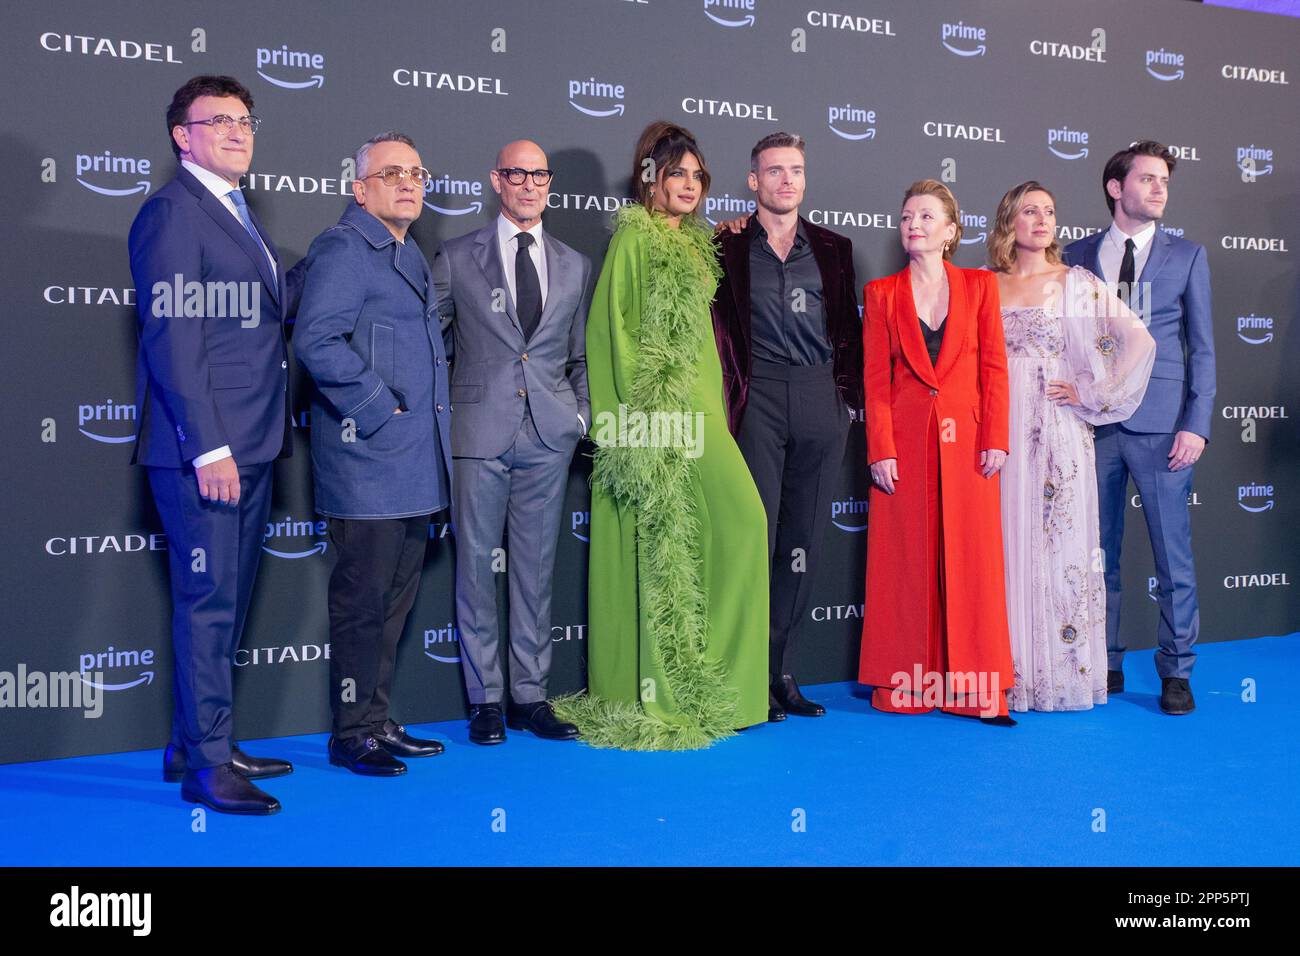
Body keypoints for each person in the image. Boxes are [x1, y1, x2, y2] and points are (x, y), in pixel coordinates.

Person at [551, 121, 769, 748]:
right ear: (651, 179)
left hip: (705, 412)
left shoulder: (699, 246)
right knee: (661, 545)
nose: (690, 186)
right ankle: (663, 688)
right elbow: (613, 336)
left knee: (739, 526)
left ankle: (716, 683)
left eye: (698, 177)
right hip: (660, 417)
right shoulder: (633, 241)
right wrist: (642, 427)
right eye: (677, 174)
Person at [129, 75, 292, 815]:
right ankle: (208, 765)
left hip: (253, 443)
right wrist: (207, 448)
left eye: (244, 120)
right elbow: (174, 340)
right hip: (209, 450)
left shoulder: (234, 211)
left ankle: (196, 742)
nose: (236, 131)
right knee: (209, 608)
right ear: (180, 135)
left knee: (225, 601)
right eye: (217, 120)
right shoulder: (171, 213)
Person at [293, 132, 453, 774]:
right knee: (362, 608)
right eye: (392, 174)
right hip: (366, 465)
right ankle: (350, 733)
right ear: (360, 189)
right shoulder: (344, 247)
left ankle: (377, 720)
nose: (409, 182)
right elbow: (317, 339)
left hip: (412, 465)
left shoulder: (406, 250)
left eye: (416, 172)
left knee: (392, 604)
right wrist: (376, 406)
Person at [430, 140, 591, 744]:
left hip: (549, 436)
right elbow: (431, 346)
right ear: (497, 180)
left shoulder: (574, 263)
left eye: (539, 175)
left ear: (549, 184)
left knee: (535, 569)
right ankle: (486, 699)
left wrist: (580, 416)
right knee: (474, 568)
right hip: (478, 433)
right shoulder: (455, 255)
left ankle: (530, 694)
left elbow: (577, 355)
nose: (528, 184)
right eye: (516, 174)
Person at [711, 132, 862, 722]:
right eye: (774, 171)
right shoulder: (722, 246)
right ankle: (745, 676)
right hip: (757, 397)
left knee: (803, 543)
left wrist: (845, 403)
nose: (786, 181)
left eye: (795, 170)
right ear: (753, 181)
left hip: (820, 396)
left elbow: (848, 333)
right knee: (756, 537)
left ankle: (782, 675)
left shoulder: (833, 247)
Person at [988, 181, 1154, 712]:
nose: (1042, 220)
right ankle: (1007, 671)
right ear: (1008, 221)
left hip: (1058, 427)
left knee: (1056, 545)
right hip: (998, 430)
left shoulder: (1076, 282)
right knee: (1005, 543)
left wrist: (1092, 392)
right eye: (1030, 211)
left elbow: (1137, 340)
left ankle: (1059, 676)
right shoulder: (984, 286)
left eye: (1050, 212)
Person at [1062, 142, 1214, 715]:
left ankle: (1177, 670)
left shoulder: (1189, 256)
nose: (1159, 189)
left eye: (1164, 182)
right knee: (1098, 555)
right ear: (1114, 187)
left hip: (1161, 427)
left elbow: (1202, 349)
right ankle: (1104, 661)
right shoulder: (1075, 254)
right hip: (1092, 426)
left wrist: (1195, 424)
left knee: (1172, 556)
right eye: (1147, 179)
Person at [858, 179, 1015, 724]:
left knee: (971, 565)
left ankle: (975, 688)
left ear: (951, 231)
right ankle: (904, 682)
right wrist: (881, 447)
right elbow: (875, 381)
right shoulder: (881, 294)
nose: (914, 225)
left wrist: (996, 437)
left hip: (969, 443)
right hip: (904, 444)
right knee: (904, 565)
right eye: (906, 217)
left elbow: (994, 369)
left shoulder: (978, 286)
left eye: (926, 216)